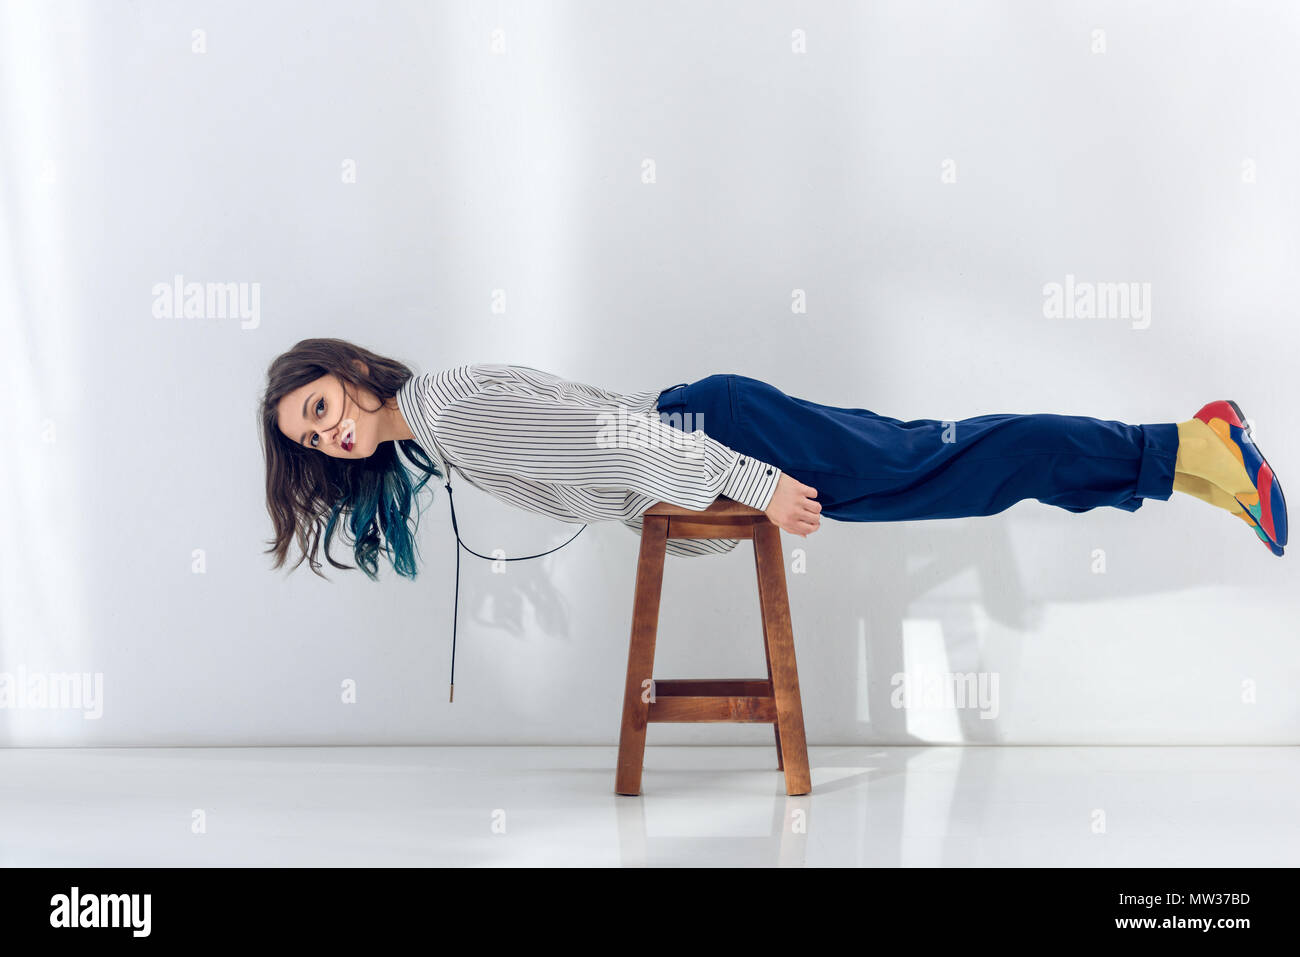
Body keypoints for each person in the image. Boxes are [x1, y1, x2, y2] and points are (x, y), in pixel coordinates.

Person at [261, 337, 1287, 580]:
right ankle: (1191, 459)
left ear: (353, 370)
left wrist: (749, 486)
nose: (327, 435)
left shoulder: (448, 411)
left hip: (722, 440)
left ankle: (1197, 447)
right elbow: (597, 445)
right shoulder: (440, 434)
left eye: (319, 408)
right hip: (715, 437)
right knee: (960, 472)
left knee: (956, 459)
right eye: (311, 438)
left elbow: (610, 438)